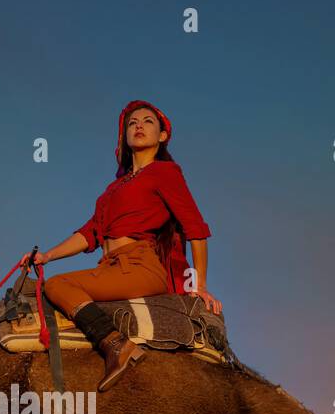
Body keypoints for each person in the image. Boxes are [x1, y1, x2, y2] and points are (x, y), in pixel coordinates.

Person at [20, 99, 218, 391]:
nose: (138, 125)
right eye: (132, 122)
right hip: (111, 266)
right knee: (49, 285)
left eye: (148, 121)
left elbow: (195, 229)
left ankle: (116, 345)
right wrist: (47, 256)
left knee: (57, 287)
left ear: (162, 136)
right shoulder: (113, 189)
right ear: (124, 135)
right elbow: (89, 234)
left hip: (140, 266)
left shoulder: (165, 172)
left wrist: (198, 286)